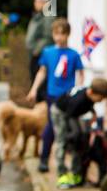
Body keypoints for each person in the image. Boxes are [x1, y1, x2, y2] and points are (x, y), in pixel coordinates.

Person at [26, 17, 86, 175]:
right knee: (52, 126)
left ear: (68, 35)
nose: (59, 37)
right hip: (52, 95)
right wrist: (33, 90)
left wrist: (78, 90)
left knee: (67, 128)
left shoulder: (73, 55)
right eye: (56, 34)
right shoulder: (48, 52)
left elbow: (80, 74)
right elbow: (42, 72)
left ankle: (63, 160)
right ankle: (45, 159)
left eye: (62, 34)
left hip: (68, 96)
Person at [51, 77, 107, 188]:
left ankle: (76, 175)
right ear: (92, 92)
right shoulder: (78, 101)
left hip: (72, 114)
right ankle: (62, 176)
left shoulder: (88, 95)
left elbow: (89, 104)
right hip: (60, 112)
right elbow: (69, 117)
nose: (101, 100)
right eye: (101, 98)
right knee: (62, 141)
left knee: (79, 141)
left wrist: (93, 113)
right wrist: (73, 134)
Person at [26, 0, 56, 89]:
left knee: (40, 84)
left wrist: (37, 50)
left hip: (40, 55)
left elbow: (48, 37)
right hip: (35, 55)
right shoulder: (38, 16)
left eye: (38, 1)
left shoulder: (48, 17)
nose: (36, 3)